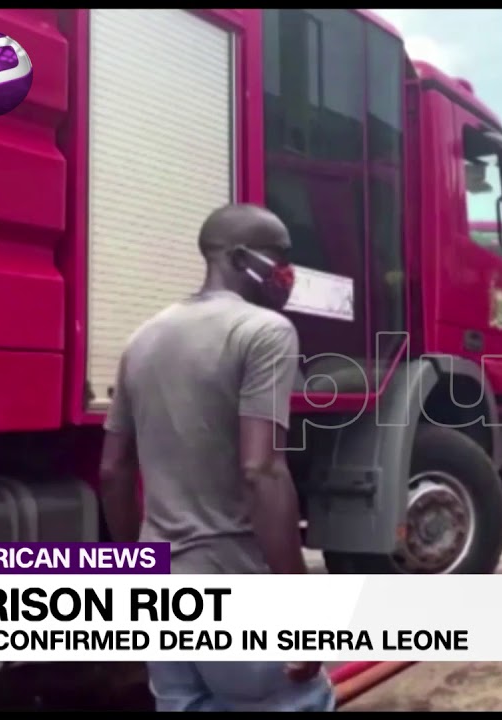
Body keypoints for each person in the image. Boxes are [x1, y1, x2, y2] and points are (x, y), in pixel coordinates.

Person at [98, 203, 334, 712]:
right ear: (237, 256)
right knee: (298, 702)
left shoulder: (142, 338)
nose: (288, 273)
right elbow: (262, 470)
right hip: (231, 577)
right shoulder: (265, 332)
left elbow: (112, 471)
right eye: (279, 256)